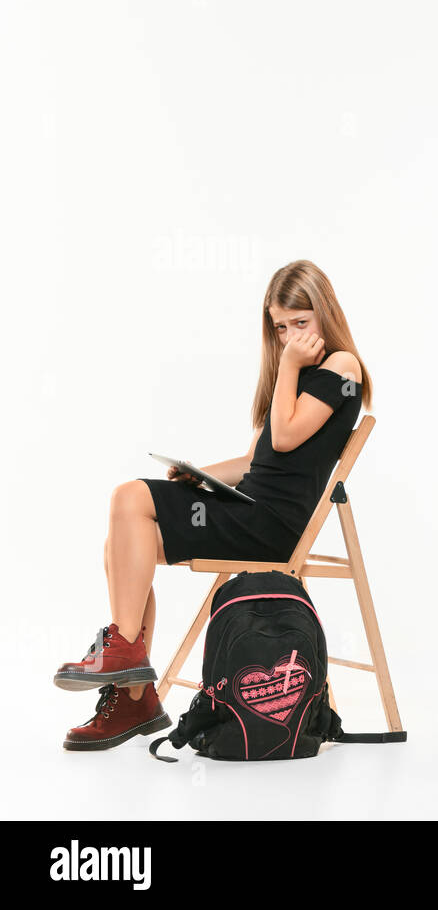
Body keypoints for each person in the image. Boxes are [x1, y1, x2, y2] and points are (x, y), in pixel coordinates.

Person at [53, 260, 370, 751]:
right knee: (123, 539)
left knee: (129, 498)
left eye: (300, 323)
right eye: (281, 328)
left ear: (325, 313)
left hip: (271, 526)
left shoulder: (341, 367)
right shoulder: (301, 374)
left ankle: (128, 673)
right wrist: (199, 475)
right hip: (250, 506)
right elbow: (255, 461)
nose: (290, 338)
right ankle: (131, 683)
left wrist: (287, 365)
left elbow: (284, 439)